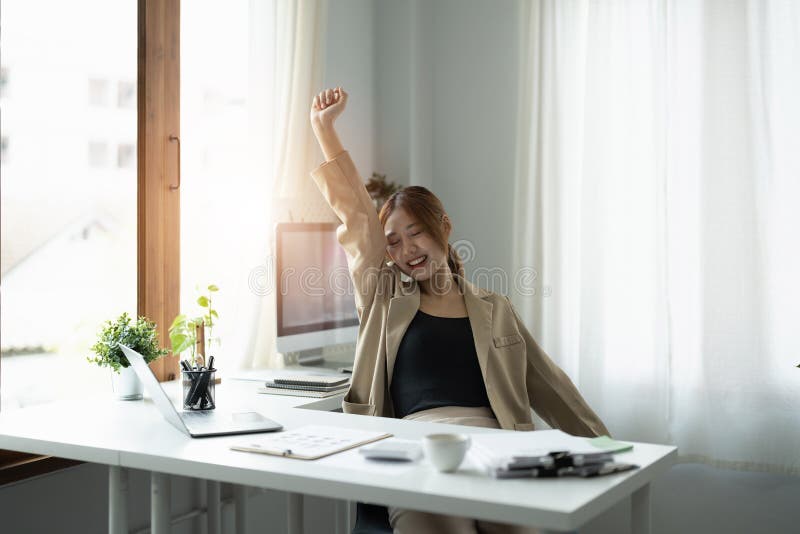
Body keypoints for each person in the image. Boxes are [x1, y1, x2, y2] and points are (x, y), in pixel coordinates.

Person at [309, 86, 609, 534]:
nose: (408, 248)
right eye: (394, 241)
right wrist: (324, 130)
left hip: (495, 451)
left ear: (443, 228)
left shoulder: (495, 307)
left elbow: (549, 385)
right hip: (415, 449)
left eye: (417, 233)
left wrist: (609, 449)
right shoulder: (383, 294)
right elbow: (355, 216)